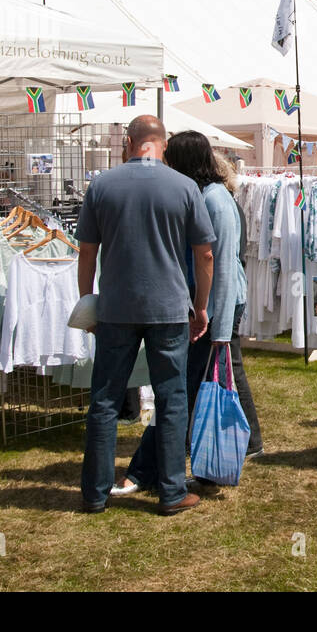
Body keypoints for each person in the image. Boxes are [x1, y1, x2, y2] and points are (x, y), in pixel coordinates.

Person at [77, 116, 215, 516]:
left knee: (104, 399)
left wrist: (87, 301)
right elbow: (204, 254)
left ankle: (95, 492)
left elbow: (86, 252)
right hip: (169, 308)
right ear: (163, 144)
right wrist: (201, 305)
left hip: (116, 308)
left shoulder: (102, 185)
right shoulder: (185, 187)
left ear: (130, 141)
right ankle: (171, 491)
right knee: (171, 398)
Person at [116, 130, 261, 496]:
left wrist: (220, 328)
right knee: (194, 387)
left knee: (185, 388)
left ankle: (149, 469)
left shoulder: (214, 201)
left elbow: (223, 266)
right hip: (203, 310)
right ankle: (180, 465)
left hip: (213, 311)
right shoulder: (199, 196)